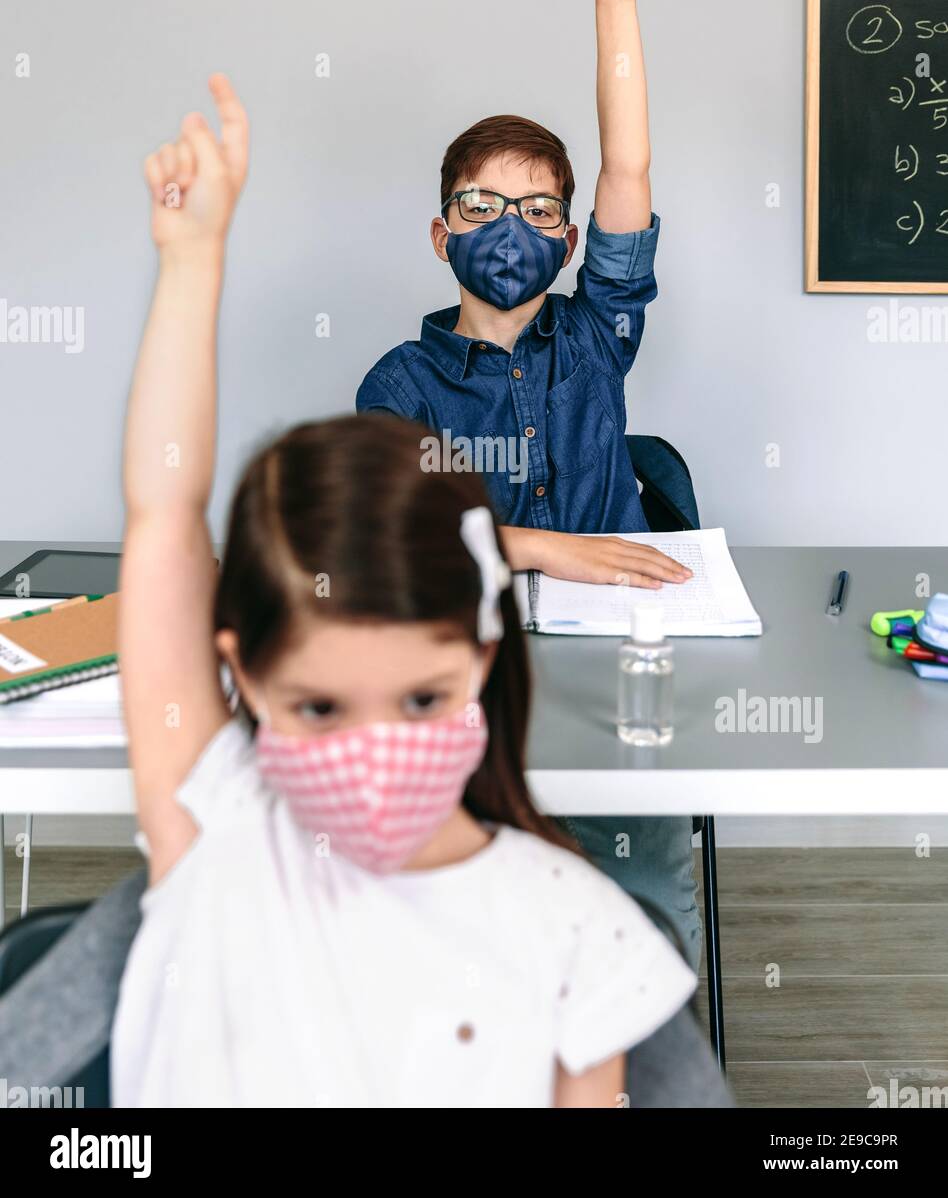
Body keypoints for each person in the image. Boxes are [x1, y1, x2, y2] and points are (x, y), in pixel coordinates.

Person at [110, 73, 696, 1108]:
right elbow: (163, 519)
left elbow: (628, 176)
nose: (375, 748)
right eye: (321, 707)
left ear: (479, 658)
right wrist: (192, 261)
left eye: (421, 700)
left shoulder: (576, 926)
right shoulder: (222, 857)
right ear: (241, 673)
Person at [356, 0, 701, 966]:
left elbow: (630, 164)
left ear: (567, 242)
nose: (511, 226)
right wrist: (557, 551)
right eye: (480, 206)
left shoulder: (597, 334)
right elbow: (399, 539)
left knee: (635, 914)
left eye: (540, 209)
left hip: (610, 673)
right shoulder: (400, 383)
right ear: (439, 233)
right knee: (448, 917)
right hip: (458, 684)